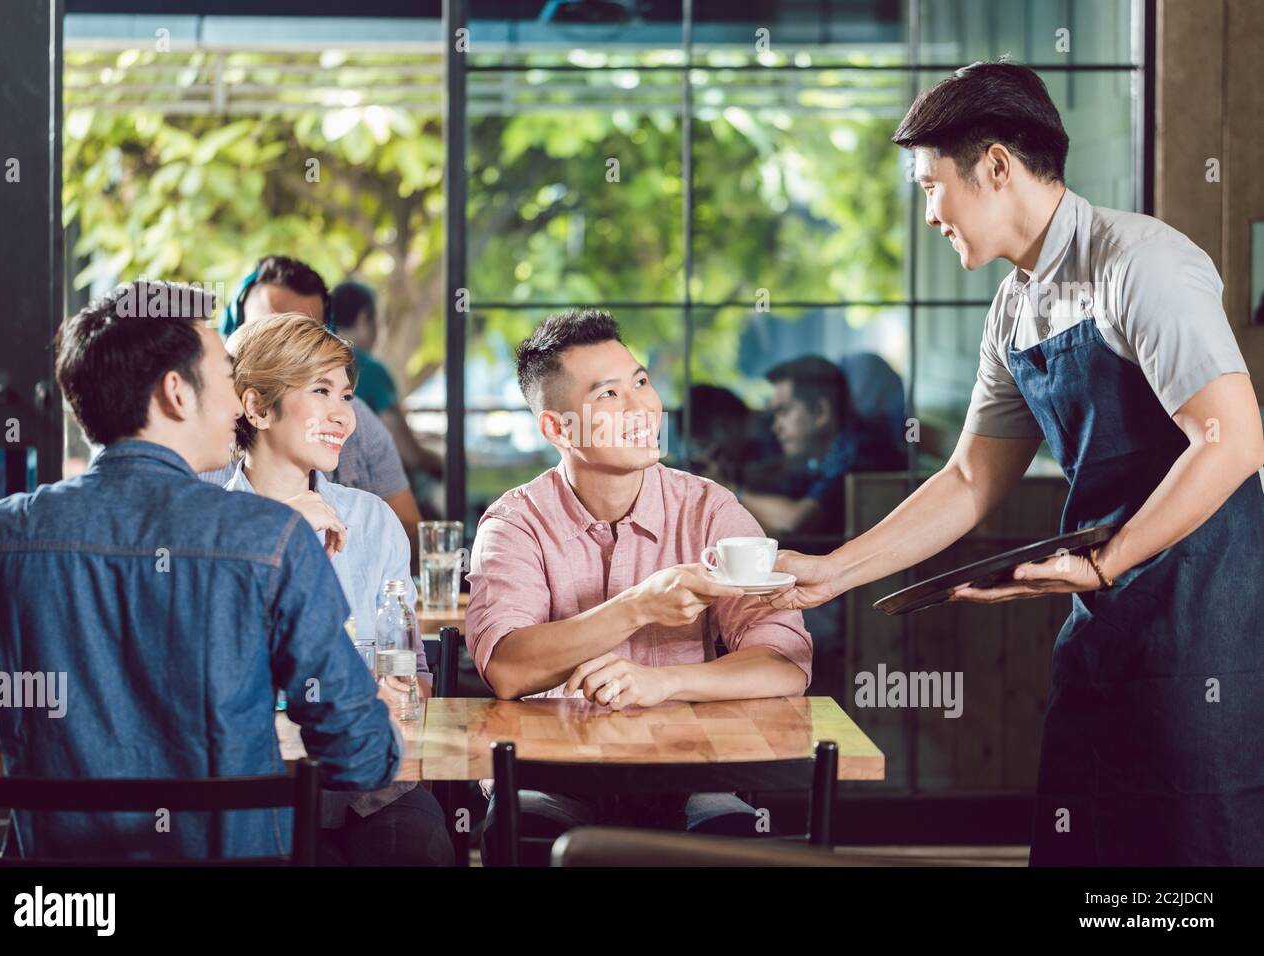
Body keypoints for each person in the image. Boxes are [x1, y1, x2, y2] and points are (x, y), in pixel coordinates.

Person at [772, 61, 1264, 866]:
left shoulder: (1140, 264)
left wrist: (1107, 563)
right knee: (1085, 833)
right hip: (1104, 619)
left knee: (1190, 850)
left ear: (996, 166)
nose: (928, 211)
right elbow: (970, 478)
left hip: (1206, 614)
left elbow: (1233, 440)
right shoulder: (1015, 305)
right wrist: (834, 572)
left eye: (932, 185)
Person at [0, 281, 402, 860]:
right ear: (177, 393)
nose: (236, 401)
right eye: (225, 375)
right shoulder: (268, 537)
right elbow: (360, 752)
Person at [465, 309, 813, 865]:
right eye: (608, 394)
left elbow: (784, 665)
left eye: (642, 382)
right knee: (525, 836)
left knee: (734, 840)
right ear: (558, 428)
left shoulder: (710, 510)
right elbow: (507, 668)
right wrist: (638, 605)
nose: (641, 408)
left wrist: (664, 683)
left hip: (690, 769)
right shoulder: (515, 524)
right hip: (556, 773)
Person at [223, 312, 452, 866]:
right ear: (256, 407)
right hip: (252, 793)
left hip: (370, 790)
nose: (342, 415)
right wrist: (275, 536)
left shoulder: (372, 520)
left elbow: (413, 677)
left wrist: (399, 692)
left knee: (419, 846)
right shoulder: (210, 528)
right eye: (319, 390)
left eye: (346, 395)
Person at [207, 256, 423, 549]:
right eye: (273, 328)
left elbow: (412, 537)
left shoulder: (372, 518)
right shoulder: (204, 505)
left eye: (345, 396)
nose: (293, 343)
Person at [742, 355, 904, 535]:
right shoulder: (828, 452)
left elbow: (795, 521)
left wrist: (731, 492)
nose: (776, 427)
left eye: (784, 411)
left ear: (821, 412)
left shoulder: (859, 454)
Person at [331, 279, 444, 482]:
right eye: (381, 320)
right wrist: (444, 463)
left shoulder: (314, 362)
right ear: (365, 318)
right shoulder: (369, 370)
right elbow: (410, 455)